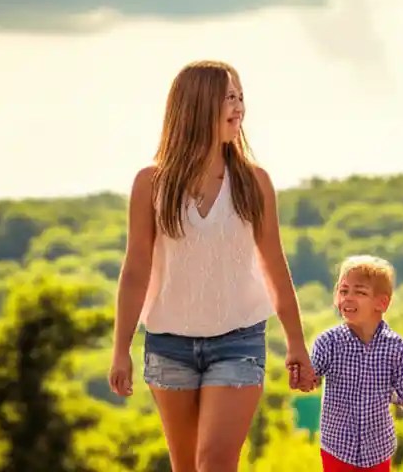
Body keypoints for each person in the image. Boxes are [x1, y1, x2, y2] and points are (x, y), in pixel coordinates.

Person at [107, 60, 316, 472]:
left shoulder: (254, 182)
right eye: (228, 97)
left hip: (238, 341)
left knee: (215, 462)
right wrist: (121, 349)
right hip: (169, 344)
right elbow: (135, 271)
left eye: (240, 96)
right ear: (197, 104)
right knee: (187, 467)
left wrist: (295, 342)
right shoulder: (150, 184)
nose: (238, 107)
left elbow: (274, 264)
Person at [310, 255, 403, 472]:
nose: (348, 298)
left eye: (359, 292)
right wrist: (301, 376)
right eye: (343, 291)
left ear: (382, 302)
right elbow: (311, 376)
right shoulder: (328, 342)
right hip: (337, 445)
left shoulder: (398, 349)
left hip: (377, 448)